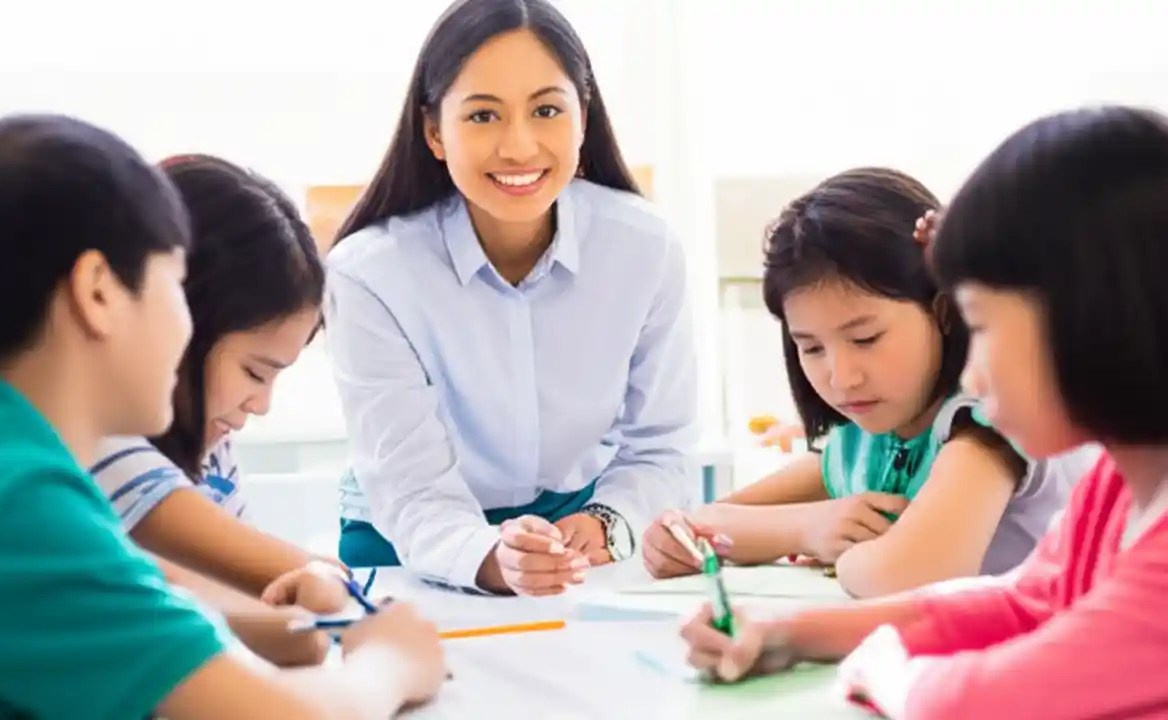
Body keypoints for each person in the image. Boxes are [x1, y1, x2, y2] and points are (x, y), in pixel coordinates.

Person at [0, 114, 443, 719]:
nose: (187, 325)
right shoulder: (10, 509)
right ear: (98, 291)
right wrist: (390, 660)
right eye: (177, 285)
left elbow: (143, 599)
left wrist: (293, 621)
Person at [681, 106, 1168, 719]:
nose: (972, 372)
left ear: (1089, 315)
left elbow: (983, 700)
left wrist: (878, 665)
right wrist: (787, 636)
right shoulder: (1117, 486)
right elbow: (1020, 602)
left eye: (983, 326)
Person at [327, 0, 696, 596]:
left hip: (576, 533)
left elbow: (662, 445)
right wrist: (489, 557)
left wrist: (610, 522)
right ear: (433, 132)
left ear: (583, 116)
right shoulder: (369, 274)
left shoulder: (644, 247)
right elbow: (411, 488)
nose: (519, 147)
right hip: (403, 541)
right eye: (482, 117)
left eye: (547, 109)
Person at [643, 168, 1076, 598]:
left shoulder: (987, 426)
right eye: (811, 349)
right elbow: (690, 527)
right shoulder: (865, 443)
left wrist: (834, 546)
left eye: (866, 339)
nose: (841, 377)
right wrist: (809, 527)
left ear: (943, 311)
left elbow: (909, 576)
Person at [91, 154, 347, 620]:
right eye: (254, 372)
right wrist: (323, 581)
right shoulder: (98, 446)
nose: (262, 404)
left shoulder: (208, 447)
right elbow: (286, 580)